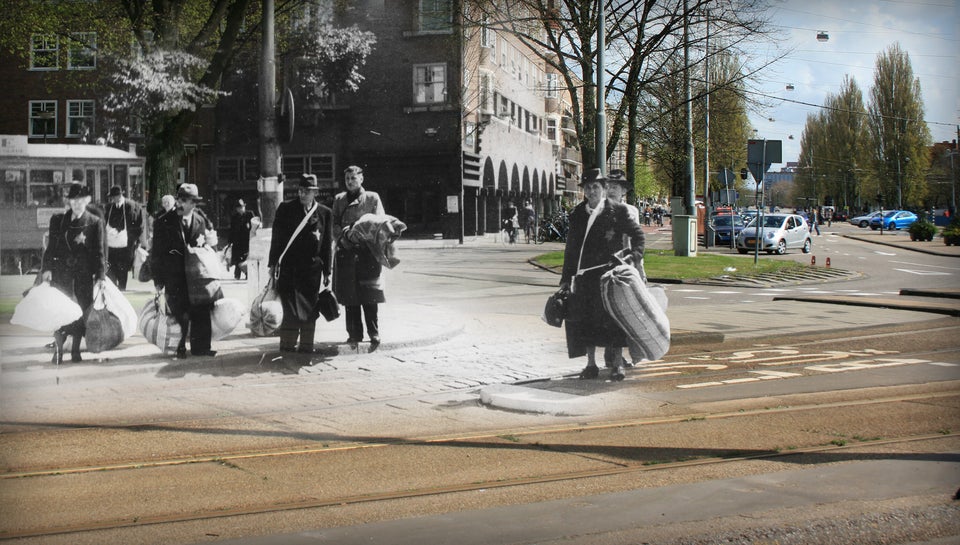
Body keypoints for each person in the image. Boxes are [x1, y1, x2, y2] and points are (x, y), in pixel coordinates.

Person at [560, 168, 645, 382]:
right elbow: (571, 249)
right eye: (588, 188)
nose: (592, 191)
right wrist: (565, 278)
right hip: (584, 278)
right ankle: (590, 364)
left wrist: (633, 257)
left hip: (610, 275)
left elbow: (637, 236)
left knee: (613, 321)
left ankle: (617, 365)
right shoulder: (578, 213)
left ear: (603, 188)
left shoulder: (617, 210)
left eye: (596, 187)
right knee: (585, 320)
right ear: (584, 191)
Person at [150, 183, 218, 358]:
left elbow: (205, 248)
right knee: (179, 311)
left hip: (196, 277)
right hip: (174, 275)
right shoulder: (163, 222)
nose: (180, 203)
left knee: (201, 309)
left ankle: (201, 347)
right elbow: (156, 254)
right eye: (179, 199)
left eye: (185, 201)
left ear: (193, 204)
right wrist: (158, 280)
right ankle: (178, 346)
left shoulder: (200, 221)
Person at [268, 175, 334, 354]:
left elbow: (327, 244)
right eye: (301, 190)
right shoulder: (286, 209)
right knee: (289, 310)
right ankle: (287, 346)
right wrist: (273, 263)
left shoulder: (324, 213)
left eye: (308, 191)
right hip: (290, 269)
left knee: (310, 310)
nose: (303, 193)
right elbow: (277, 238)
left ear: (315, 193)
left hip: (312, 272)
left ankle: (306, 347)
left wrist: (328, 271)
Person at [41, 182, 105, 364]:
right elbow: (51, 248)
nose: (76, 204)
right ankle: (59, 350)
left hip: (83, 276)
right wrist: (46, 269)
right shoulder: (58, 220)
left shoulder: (94, 222)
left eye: (80, 200)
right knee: (60, 313)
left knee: (79, 313)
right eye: (73, 200)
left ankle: (76, 350)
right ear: (69, 202)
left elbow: (100, 253)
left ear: (87, 200)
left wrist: (100, 277)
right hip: (61, 276)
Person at [333, 165, 387, 351]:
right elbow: (334, 226)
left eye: (353, 178)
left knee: (370, 295)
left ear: (361, 179)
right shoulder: (339, 200)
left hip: (368, 253)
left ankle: (374, 333)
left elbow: (381, 223)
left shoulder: (372, 198)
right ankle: (354, 334)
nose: (349, 182)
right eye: (347, 178)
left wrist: (362, 232)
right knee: (350, 296)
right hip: (347, 253)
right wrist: (346, 235)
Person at [103, 185, 144, 290]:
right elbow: (104, 223)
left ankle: (121, 291)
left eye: (113, 197)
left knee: (122, 271)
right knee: (110, 271)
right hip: (111, 246)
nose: (112, 199)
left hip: (125, 247)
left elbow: (139, 225)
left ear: (119, 196)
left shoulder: (132, 206)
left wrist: (131, 239)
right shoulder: (109, 207)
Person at [228, 198, 256, 280]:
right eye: (238, 208)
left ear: (244, 207)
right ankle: (237, 274)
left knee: (246, 258)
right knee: (237, 258)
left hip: (247, 240)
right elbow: (231, 230)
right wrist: (230, 241)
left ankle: (248, 273)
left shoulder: (250, 214)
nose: (240, 209)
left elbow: (255, 225)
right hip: (237, 241)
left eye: (242, 207)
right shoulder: (234, 217)